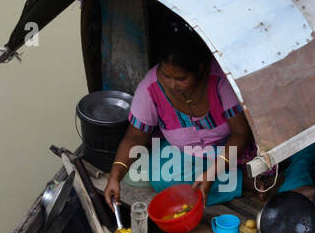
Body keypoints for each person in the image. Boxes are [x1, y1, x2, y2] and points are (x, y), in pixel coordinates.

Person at [103, 32, 252, 210]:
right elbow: (134, 138)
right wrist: (115, 176)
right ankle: (238, 181)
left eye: (181, 79)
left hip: (232, 151)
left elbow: (240, 134)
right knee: (160, 178)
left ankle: (238, 178)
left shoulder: (220, 80)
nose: (171, 85)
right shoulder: (150, 89)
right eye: (166, 76)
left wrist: (211, 174)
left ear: (200, 69)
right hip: (186, 152)